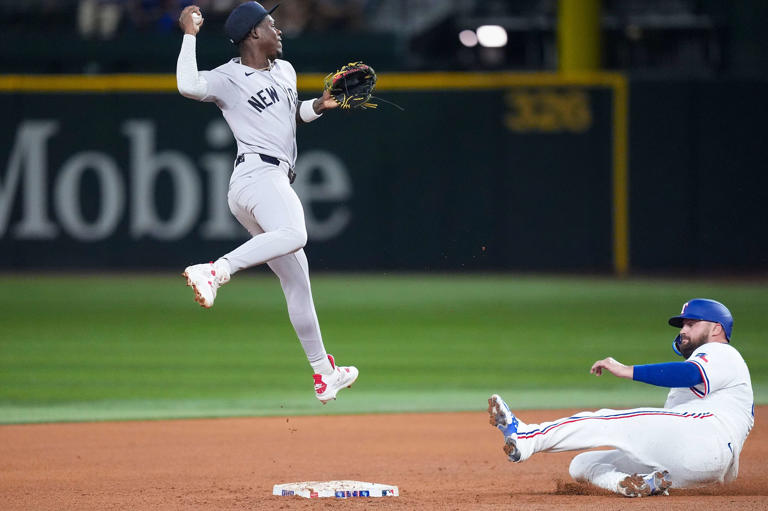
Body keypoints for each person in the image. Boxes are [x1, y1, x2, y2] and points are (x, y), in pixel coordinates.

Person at [175, 1, 358, 403]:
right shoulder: (228, 76)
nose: (280, 30)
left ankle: (324, 374)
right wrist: (190, 34)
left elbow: (287, 116)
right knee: (295, 233)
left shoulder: (286, 72)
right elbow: (188, 85)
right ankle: (215, 270)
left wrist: (318, 106)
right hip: (258, 176)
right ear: (253, 34)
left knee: (297, 282)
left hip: (263, 181)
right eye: (272, 24)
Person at [488, 298, 754, 497]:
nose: (683, 330)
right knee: (582, 464)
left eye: (691, 324)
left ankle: (526, 437)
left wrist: (628, 370)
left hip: (706, 441)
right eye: (683, 324)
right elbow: (670, 421)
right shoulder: (703, 372)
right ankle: (631, 485)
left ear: (717, 329)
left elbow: (689, 373)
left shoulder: (723, 354)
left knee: (608, 419)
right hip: (697, 465)